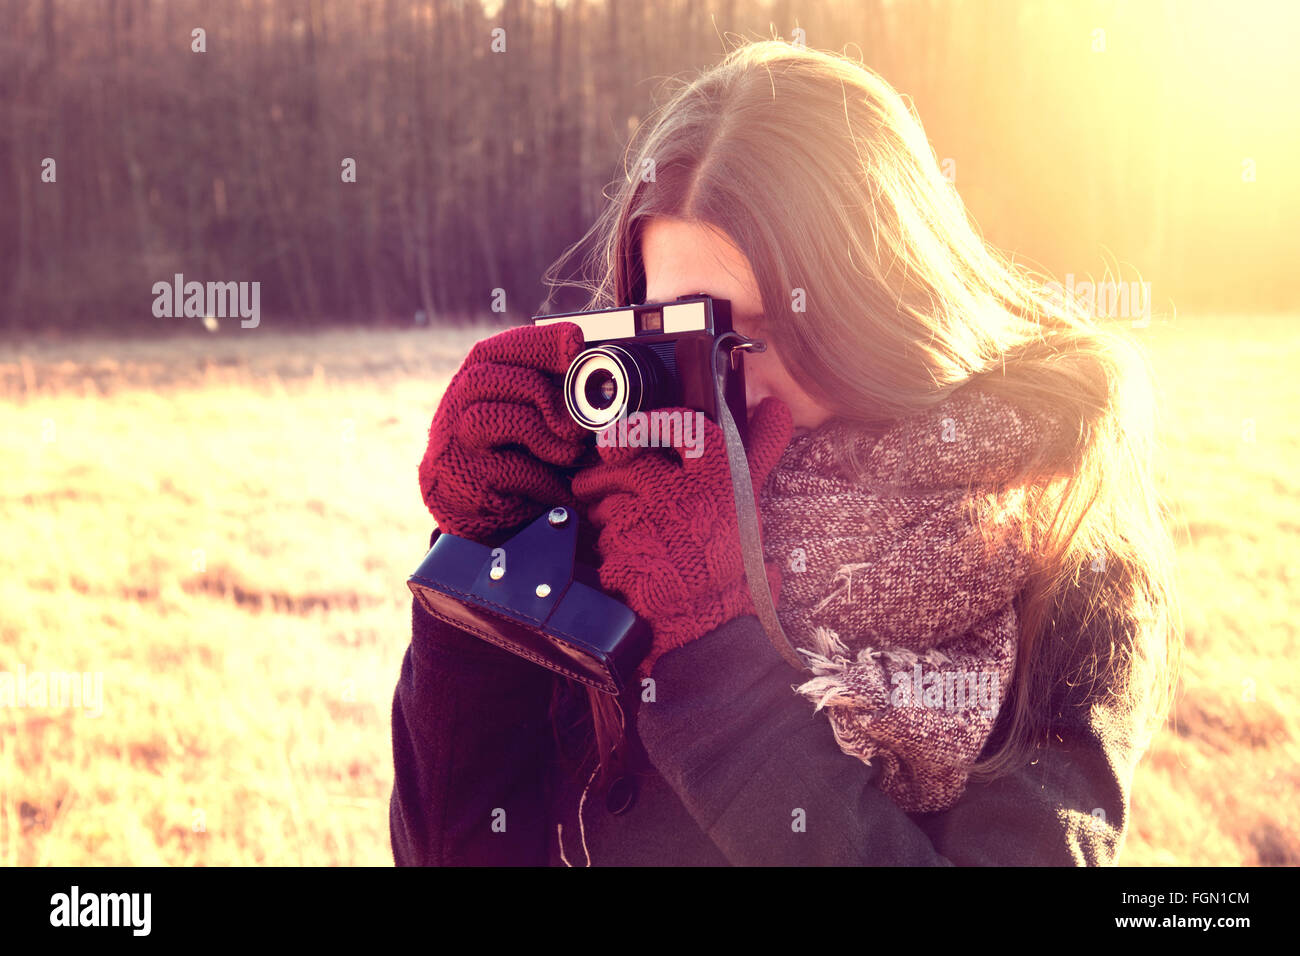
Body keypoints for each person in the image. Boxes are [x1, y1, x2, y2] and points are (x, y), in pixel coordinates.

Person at [388, 39, 1181, 866]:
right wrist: (480, 567)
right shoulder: (615, 501)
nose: (722, 382)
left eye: (761, 334)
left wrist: (707, 659)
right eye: (682, 332)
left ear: (882, 307)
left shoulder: (1054, 534)